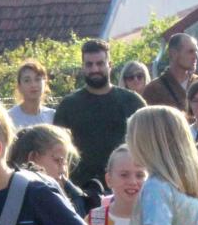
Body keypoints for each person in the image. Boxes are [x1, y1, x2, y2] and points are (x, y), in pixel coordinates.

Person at [53, 39, 146, 184]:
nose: (95, 69)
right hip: (80, 189)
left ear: (110, 65)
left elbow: (148, 146)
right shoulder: (68, 106)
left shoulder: (133, 102)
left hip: (126, 185)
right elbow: (57, 151)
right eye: (89, 64)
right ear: (83, 67)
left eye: (100, 63)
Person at [142, 33, 198, 110]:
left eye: (196, 51)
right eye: (190, 52)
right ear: (173, 53)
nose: (196, 57)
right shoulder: (154, 90)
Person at [7, 59, 55, 128]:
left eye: (37, 79)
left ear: (45, 83)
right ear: (19, 86)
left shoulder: (52, 116)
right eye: (27, 80)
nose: (33, 85)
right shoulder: (8, 118)